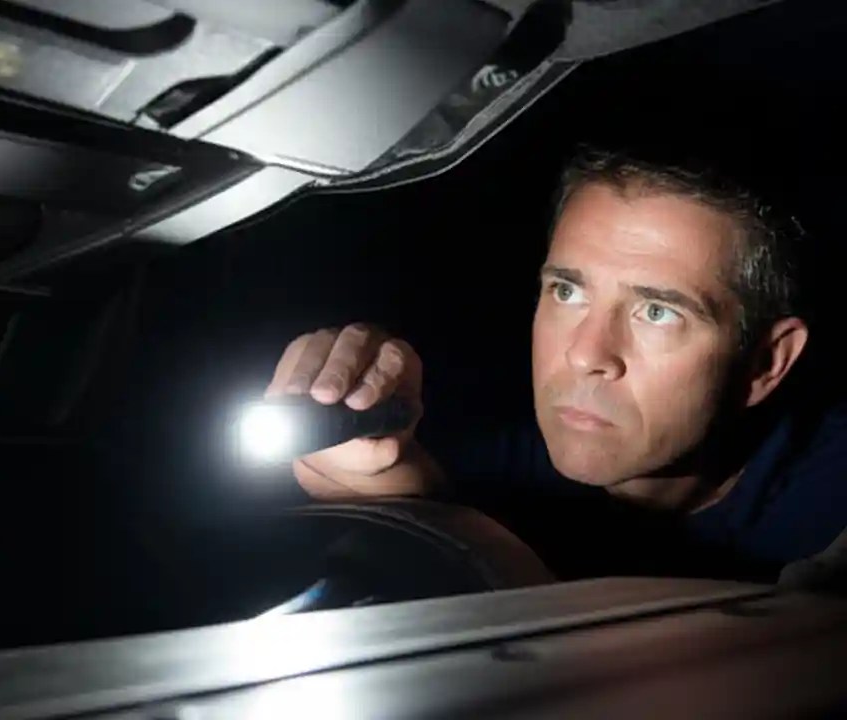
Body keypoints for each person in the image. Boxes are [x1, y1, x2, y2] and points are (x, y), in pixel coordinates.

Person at [267, 146, 846, 582]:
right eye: (568, 293)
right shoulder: (500, 439)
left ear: (767, 363)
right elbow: (419, 488)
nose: (585, 354)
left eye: (656, 311)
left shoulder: (828, 497)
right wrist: (365, 469)